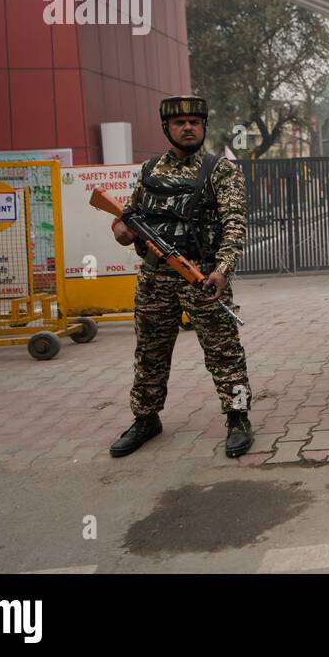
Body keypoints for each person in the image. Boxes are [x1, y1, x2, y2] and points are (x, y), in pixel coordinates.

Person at [108, 95, 254, 459]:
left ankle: (238, 418)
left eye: (194, 121)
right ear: (166, 128)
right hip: (154, 279)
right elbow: (128, 217)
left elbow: (234, 226)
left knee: (224, 353)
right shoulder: (150, 171)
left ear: (203, 126)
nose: (187, 127)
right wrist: (121, 230)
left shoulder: (220, 170)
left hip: (202, 277)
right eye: (179, 123)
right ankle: (145, 418)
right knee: (150, 352)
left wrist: (221, 271)